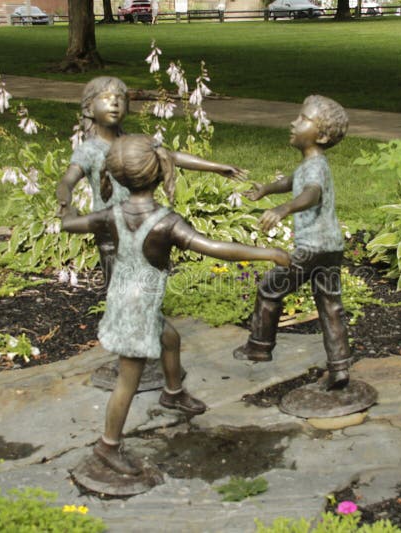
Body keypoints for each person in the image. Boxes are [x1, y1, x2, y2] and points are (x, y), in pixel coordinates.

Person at [61, 135, 290, 476]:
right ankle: (108, 446)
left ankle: (173, 392)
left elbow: (69, 224)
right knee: (128, 381)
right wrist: (267, 252)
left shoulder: (110, 214)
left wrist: (66, 207)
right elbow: (212, 247)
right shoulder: (165, 222)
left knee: (170, 339)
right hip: (138, 308)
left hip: (125, 298)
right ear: (159, 174)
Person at [55, 76, 246, 291]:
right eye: (106, 98)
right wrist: (64, 197)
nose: (115, 103)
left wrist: (216, 167)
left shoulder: (134, 144)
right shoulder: (88, 150)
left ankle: (144, 315)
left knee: (146, 285)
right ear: (89, 109)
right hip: (109, 229)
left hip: (144, 222)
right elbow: (68, 180)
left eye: (120, 98)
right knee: (117, 289)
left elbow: (170, 156)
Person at [233, 95, 352, 391]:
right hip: (331, 249)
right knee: (329, 305)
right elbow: (292, 181)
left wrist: (283, 209)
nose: (293, 122)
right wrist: (267, 190)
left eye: (302, 119)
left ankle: (259, 346)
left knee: (270, 289)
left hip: (311, 249)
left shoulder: (314, 168)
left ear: (321, 135)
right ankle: (339, 366)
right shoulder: (312, 164)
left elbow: (310, 194)